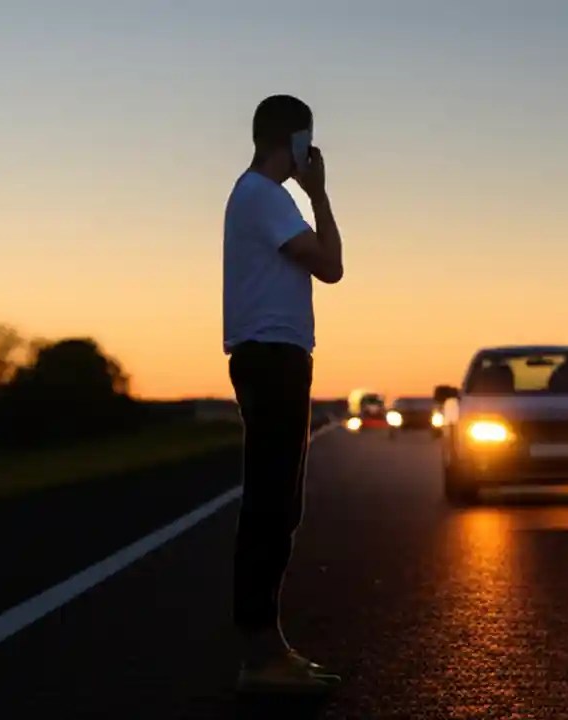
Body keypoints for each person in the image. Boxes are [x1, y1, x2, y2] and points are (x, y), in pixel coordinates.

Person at [223, 94, 344, 693]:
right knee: (270, 506)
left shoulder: (264, 198)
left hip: (278, 355)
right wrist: (319, 191)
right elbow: (331, 265)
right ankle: (259, 656)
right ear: (293, 141)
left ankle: (269, 648)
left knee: (279, 506)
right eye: (308, 140)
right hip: (270, 357)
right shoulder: (266, 197)